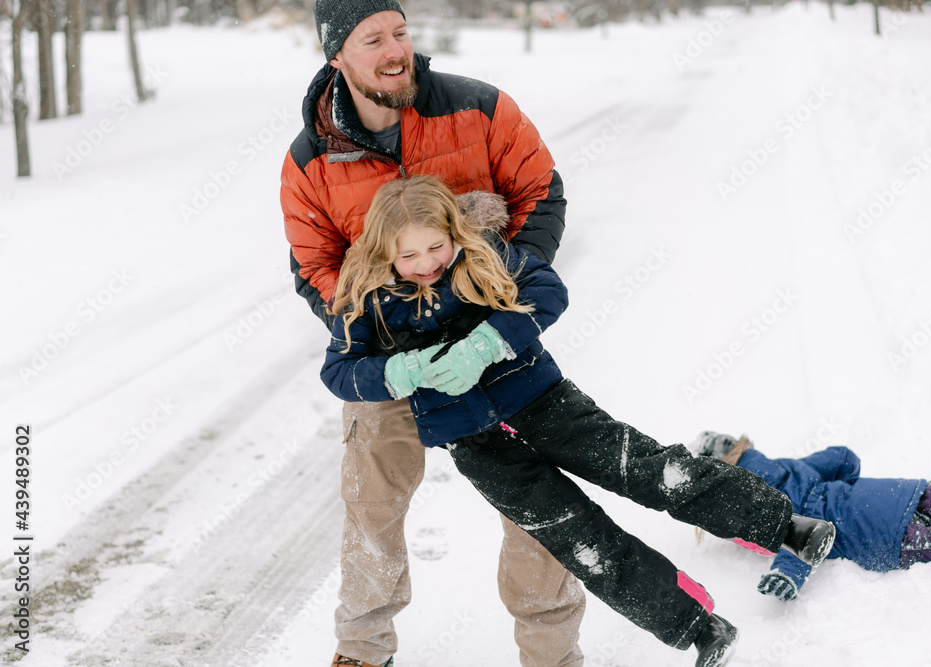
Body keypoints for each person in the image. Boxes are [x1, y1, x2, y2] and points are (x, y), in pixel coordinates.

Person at [320, 175, 838, 667]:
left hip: (548, 405)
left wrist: (485, 344)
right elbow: (339, 369)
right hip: (477, 447)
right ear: (384, 252)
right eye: (408, 255)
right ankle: (698, 627)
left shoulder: (482, 256)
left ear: (456, 232)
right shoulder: (368, 299)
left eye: (436, 247)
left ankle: (782, 524)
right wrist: (400, 370)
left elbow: (547, 291)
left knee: (652, 472)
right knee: (581, 541)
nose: (426, 263)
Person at [279, 1, 583, 665]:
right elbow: (314, 264)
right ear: (337, 56)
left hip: (493, 348)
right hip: (393, 361)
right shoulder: (311, 158)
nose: (395, 51)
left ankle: (553, 653)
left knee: (539, 499)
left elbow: (541, 191)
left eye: (400, 32)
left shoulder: (479, 107)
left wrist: (499, 303)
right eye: (373, 39)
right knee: (371, 501)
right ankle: (362, 648)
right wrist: (372, 333)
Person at [694, 432, 931, 602]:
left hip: (880, 533)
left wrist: (786, 573)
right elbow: (844, 457)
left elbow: (799, 535)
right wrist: (837, 488)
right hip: (894, 495)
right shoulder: (792, 468)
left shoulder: (759, 504)